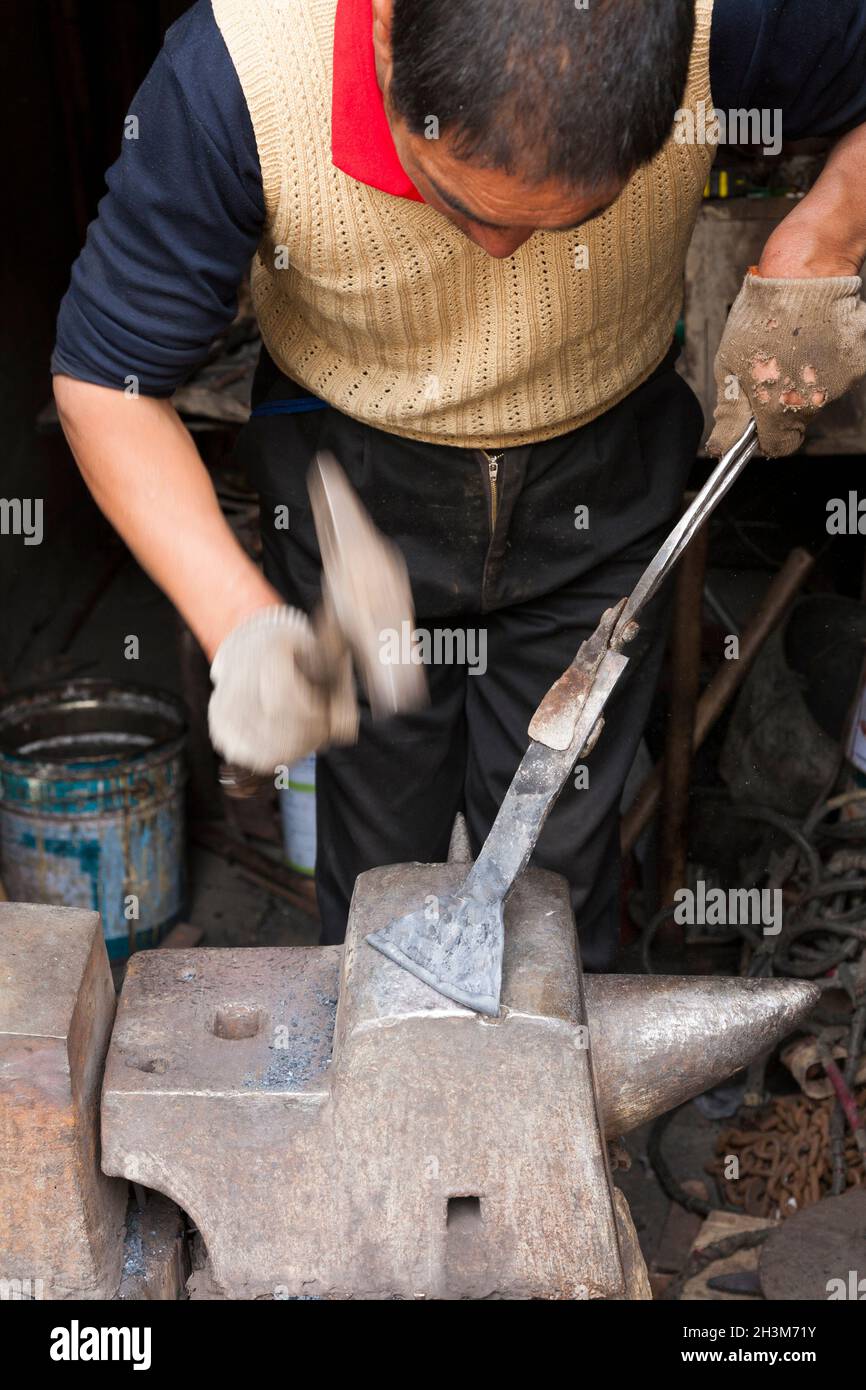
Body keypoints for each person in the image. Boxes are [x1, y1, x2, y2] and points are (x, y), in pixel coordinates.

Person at [53, 0, 866, 967]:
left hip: (601, 480)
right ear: (389, 28)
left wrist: (829, 230)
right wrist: (242, 623)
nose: (500, 255)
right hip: (355, 478)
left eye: (572, 215)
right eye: (460, 202)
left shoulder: (726, 19)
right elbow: (108, 378)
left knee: (556, 885)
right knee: (378, 872)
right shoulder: (241, 68)